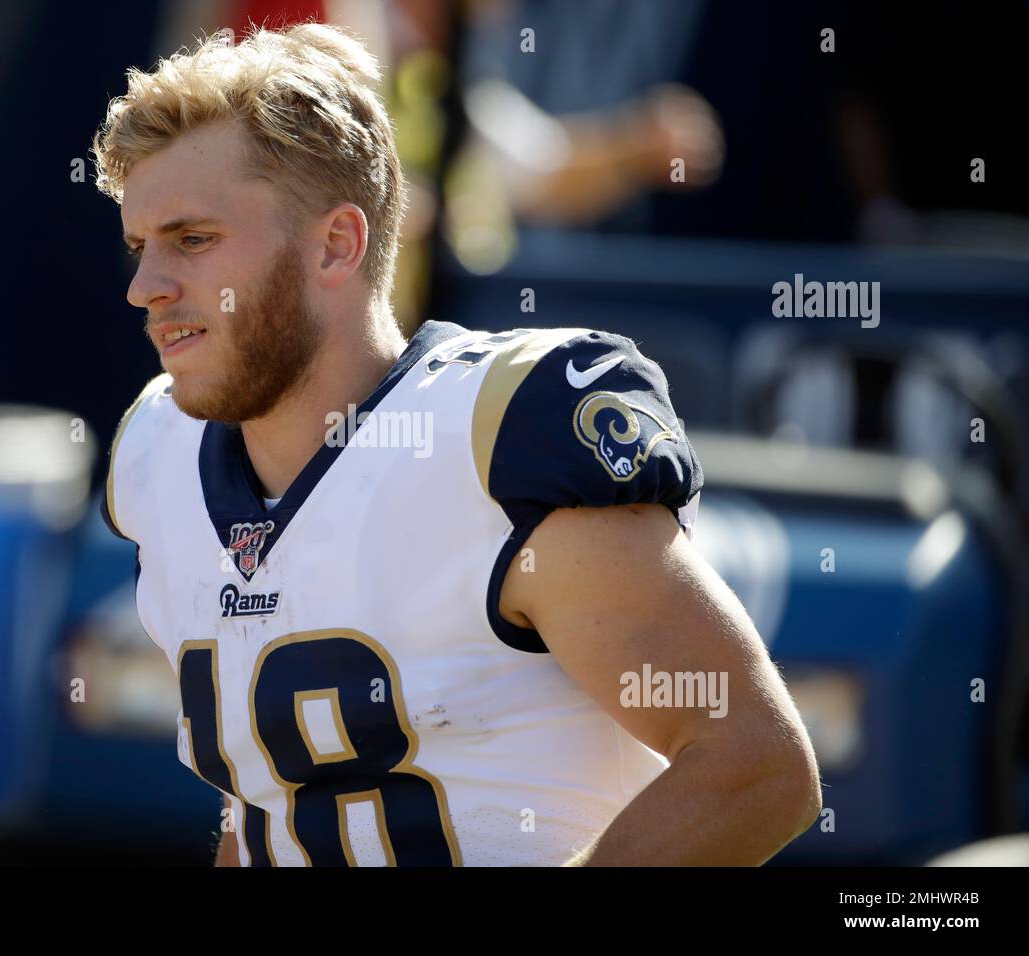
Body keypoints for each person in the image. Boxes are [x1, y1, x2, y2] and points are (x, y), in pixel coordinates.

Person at [91, 22, 820, 866]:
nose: (147, 288)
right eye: (141, 247)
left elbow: (755, 766)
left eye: (193, 239)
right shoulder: (161, 453)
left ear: (336, 244)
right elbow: (264, 810)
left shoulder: (496, 436)